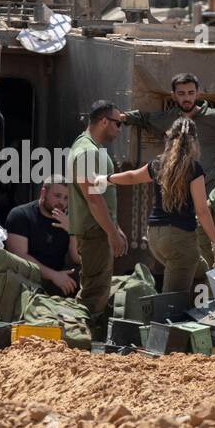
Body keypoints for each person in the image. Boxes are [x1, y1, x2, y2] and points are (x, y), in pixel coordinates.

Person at [104, 118, 215, 294]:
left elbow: (131, 177)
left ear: (168, 139)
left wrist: (106, 179)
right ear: (195, 142)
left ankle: (195, 313)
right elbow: (202, 211)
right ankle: (172, 318)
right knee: (172, 301)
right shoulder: (194, 169)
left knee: (201, 273)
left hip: (155, 237)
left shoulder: (159, 164)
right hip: (179, 239)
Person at [121, 72, 215, 176]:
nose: (186, 98)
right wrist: (121, 117)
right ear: (174, 96)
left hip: (207, 183)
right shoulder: (170, 117)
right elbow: (144, 118)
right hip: (178, 185)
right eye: (181, 93)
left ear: (197, 94)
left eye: (190, 93)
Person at [66, 100, 129, 326]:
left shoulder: (91, 149)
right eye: (118, 123)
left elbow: (101, 195)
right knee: (94, 291)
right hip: (94, 231)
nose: (119, 129)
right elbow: (93, 198)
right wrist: (111, 233)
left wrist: (114, 227)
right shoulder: (86, 152)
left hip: (97, 228)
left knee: (97, 288)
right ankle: (77, 336)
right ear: (104, 121)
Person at [5, 180, 80, 296]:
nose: (62, 202)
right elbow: (19, 257)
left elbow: (77, 258)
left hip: (57, 282)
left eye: (66, 198)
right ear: (44, 192)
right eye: (57, 196)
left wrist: (72, 231)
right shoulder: (21, 215)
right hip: (25, 281)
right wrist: (54, 275)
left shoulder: (67, 220)